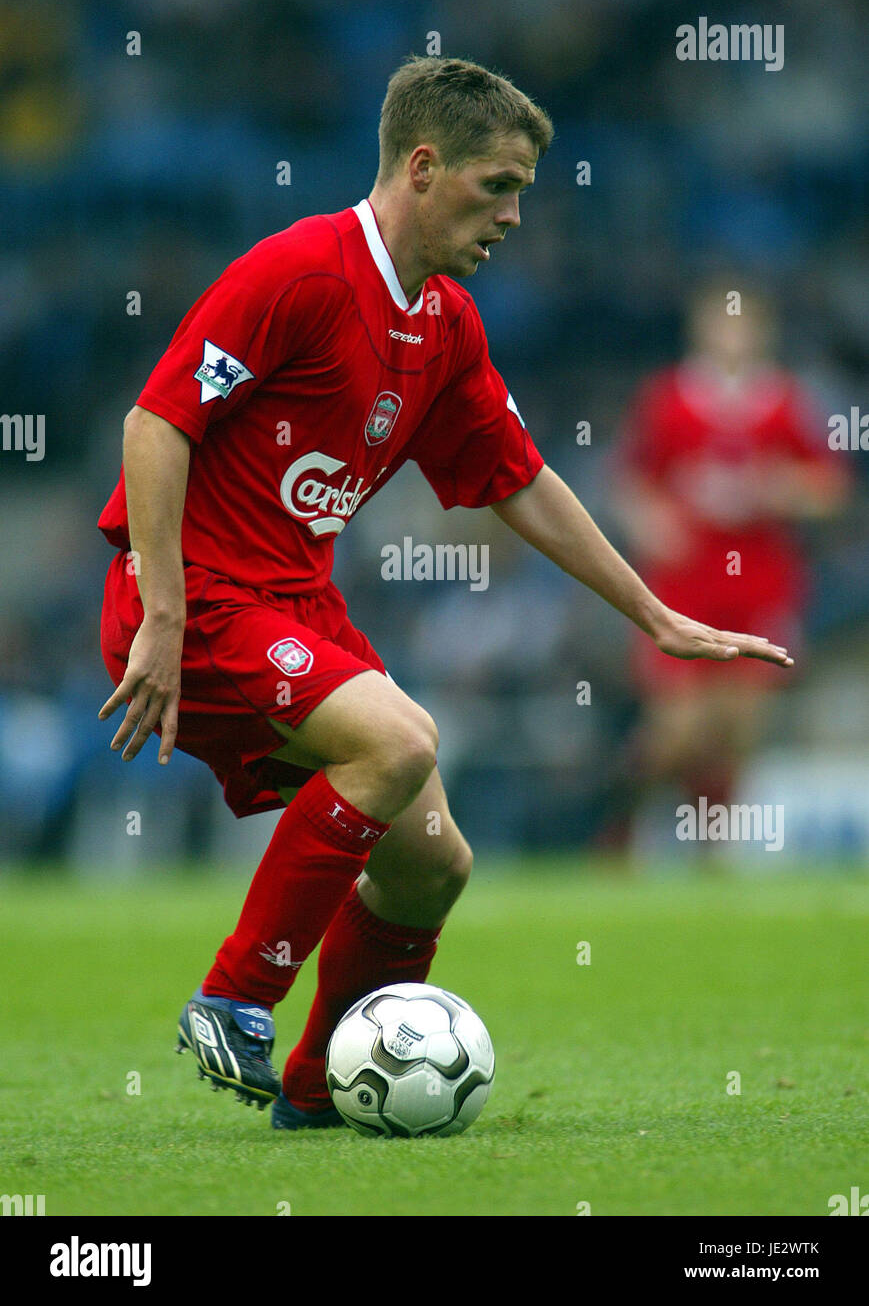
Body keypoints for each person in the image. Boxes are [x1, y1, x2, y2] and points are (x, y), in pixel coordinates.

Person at [97, 58, 793, 1130]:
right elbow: (157, 422)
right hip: (198, 599)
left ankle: (319, 1089)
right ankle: (234, 996)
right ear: (422, 168)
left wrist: (652, 615)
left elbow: (520, 479)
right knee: (399, 741)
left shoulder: (443, 323)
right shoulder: (301, 272)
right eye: (496, 185)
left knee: (432, 863)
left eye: (522, 190)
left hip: (292, 605)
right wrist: (164, 612)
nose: (514, 214)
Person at [602, 283, 848, 859]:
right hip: (685, 582)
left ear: (761, 333)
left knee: (739, 726)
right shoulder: (668, 399)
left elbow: (829, 488)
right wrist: (653, 523)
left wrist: (776, 488)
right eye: (722, 325)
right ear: (701, 331)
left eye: (742, 326)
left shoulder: (784, 401)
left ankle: (711, 856)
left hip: (761, 582)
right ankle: (618, 825)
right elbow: (629, 481)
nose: (732, 336)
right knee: (680, 726)